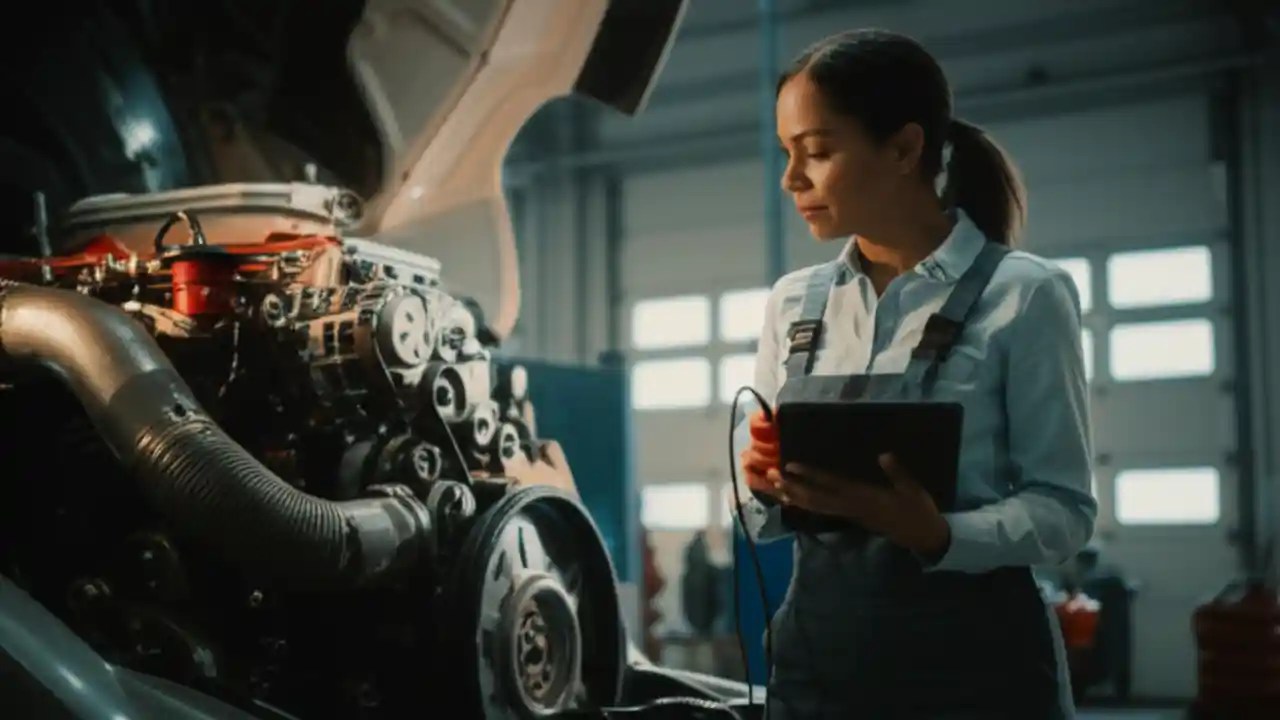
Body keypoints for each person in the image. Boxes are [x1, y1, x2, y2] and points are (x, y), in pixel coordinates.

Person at [733, 29, 1096, 719]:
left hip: (976, 676)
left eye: (817, 151)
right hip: (819, 666)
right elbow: (765, 514)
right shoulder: (794, 302)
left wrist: (938, 534)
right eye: (787, 154)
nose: (791, 180)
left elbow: (1064, 510)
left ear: (904, 149)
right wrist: (762, 480)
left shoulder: (1024, 294)